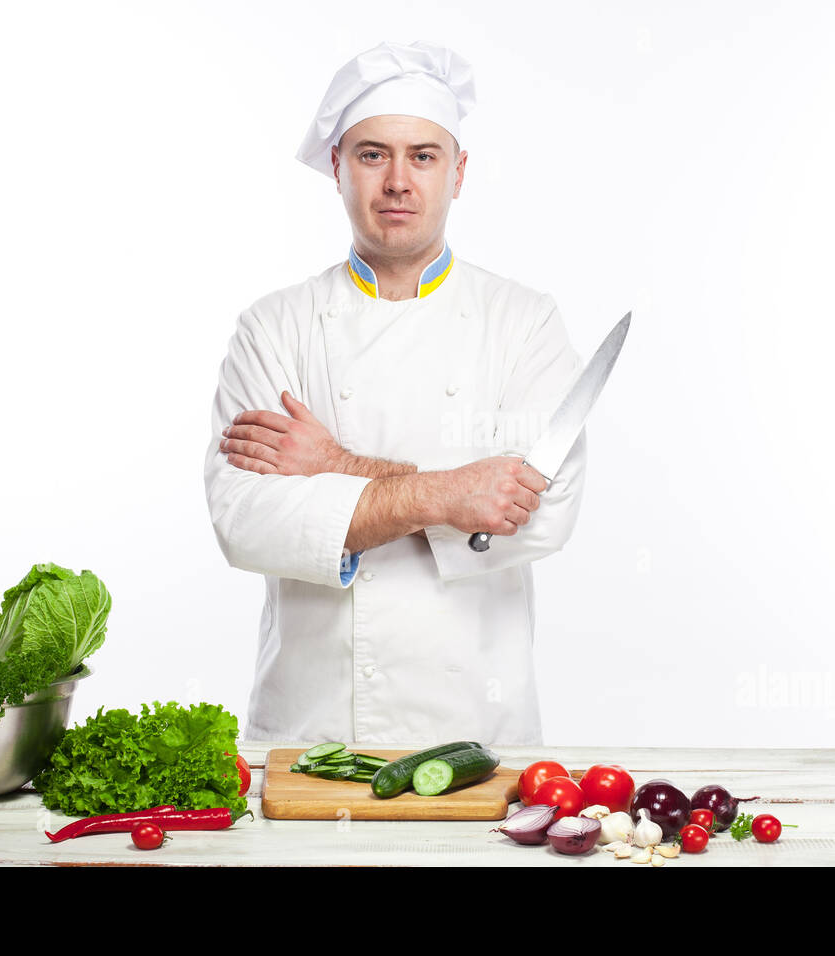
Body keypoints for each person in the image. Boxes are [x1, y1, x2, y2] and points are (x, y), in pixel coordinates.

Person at [204, 41, 587, 746]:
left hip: (480, 732)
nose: (398, 182)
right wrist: (450, 493)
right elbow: (246, 521)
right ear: (337, 167)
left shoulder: (524, 322)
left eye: (424, 155)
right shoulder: (274, 326)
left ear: (459, 172)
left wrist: (332, 467)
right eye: (373, 154)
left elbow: (541, 510)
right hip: (312, 734)